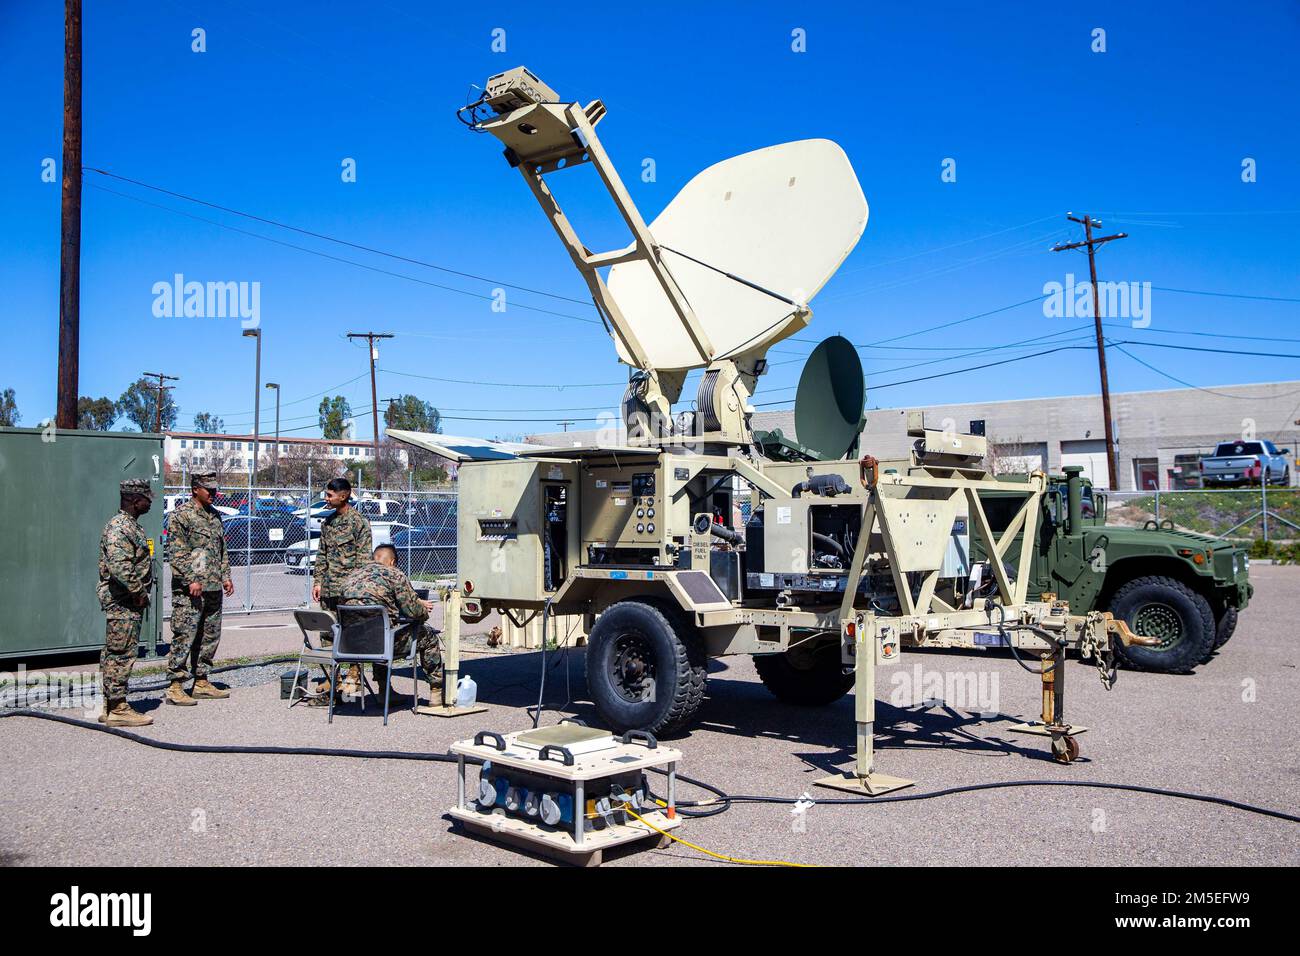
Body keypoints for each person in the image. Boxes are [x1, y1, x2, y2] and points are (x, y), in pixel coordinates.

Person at [338, 545, 443, 701]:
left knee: (377, 631)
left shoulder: (351, 576)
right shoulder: (394, 574)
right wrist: (422, 611)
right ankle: (436, 693)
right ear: (392, 562)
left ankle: (385, 692)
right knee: (428, 636)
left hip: (351, 644)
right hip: (383, 644)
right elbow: (414, 611)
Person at [166, 472, 234, 705]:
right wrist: (190, 579)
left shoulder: (214, 516)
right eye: (209, 490)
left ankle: (202, 681)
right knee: (185, 635)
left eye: (215, 490)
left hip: (213, 586)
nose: (214, 494)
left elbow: (221, 549)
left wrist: (226, 576)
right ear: (196, 489)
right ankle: (175, 685)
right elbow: (177, 552)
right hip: (191, 590)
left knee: (210, 635)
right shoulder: (181, 516)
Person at [97, 478, 157, 727]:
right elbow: (120, 566)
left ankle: (111, 705)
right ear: (134, 500)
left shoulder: (131, 525)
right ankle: (117, 708)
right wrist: (139, 591)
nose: (150, 502)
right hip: (122, 601)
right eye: (146, 498)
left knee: (115, 652)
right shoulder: (120, 528)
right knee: (121, 653)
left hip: (127, 601)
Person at [312, 477, 372, 695]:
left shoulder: (359, 523)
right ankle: (332, 677)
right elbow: (322, 555)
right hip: (329, 589)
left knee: (353, 633)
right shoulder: (328, 523)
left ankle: (353, 675)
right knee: (327, 633)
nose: (326, 499)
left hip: (349, 591)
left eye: (330, 495)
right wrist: (318, 581)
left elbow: (364, 560)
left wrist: (358, 590)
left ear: (344, 495)